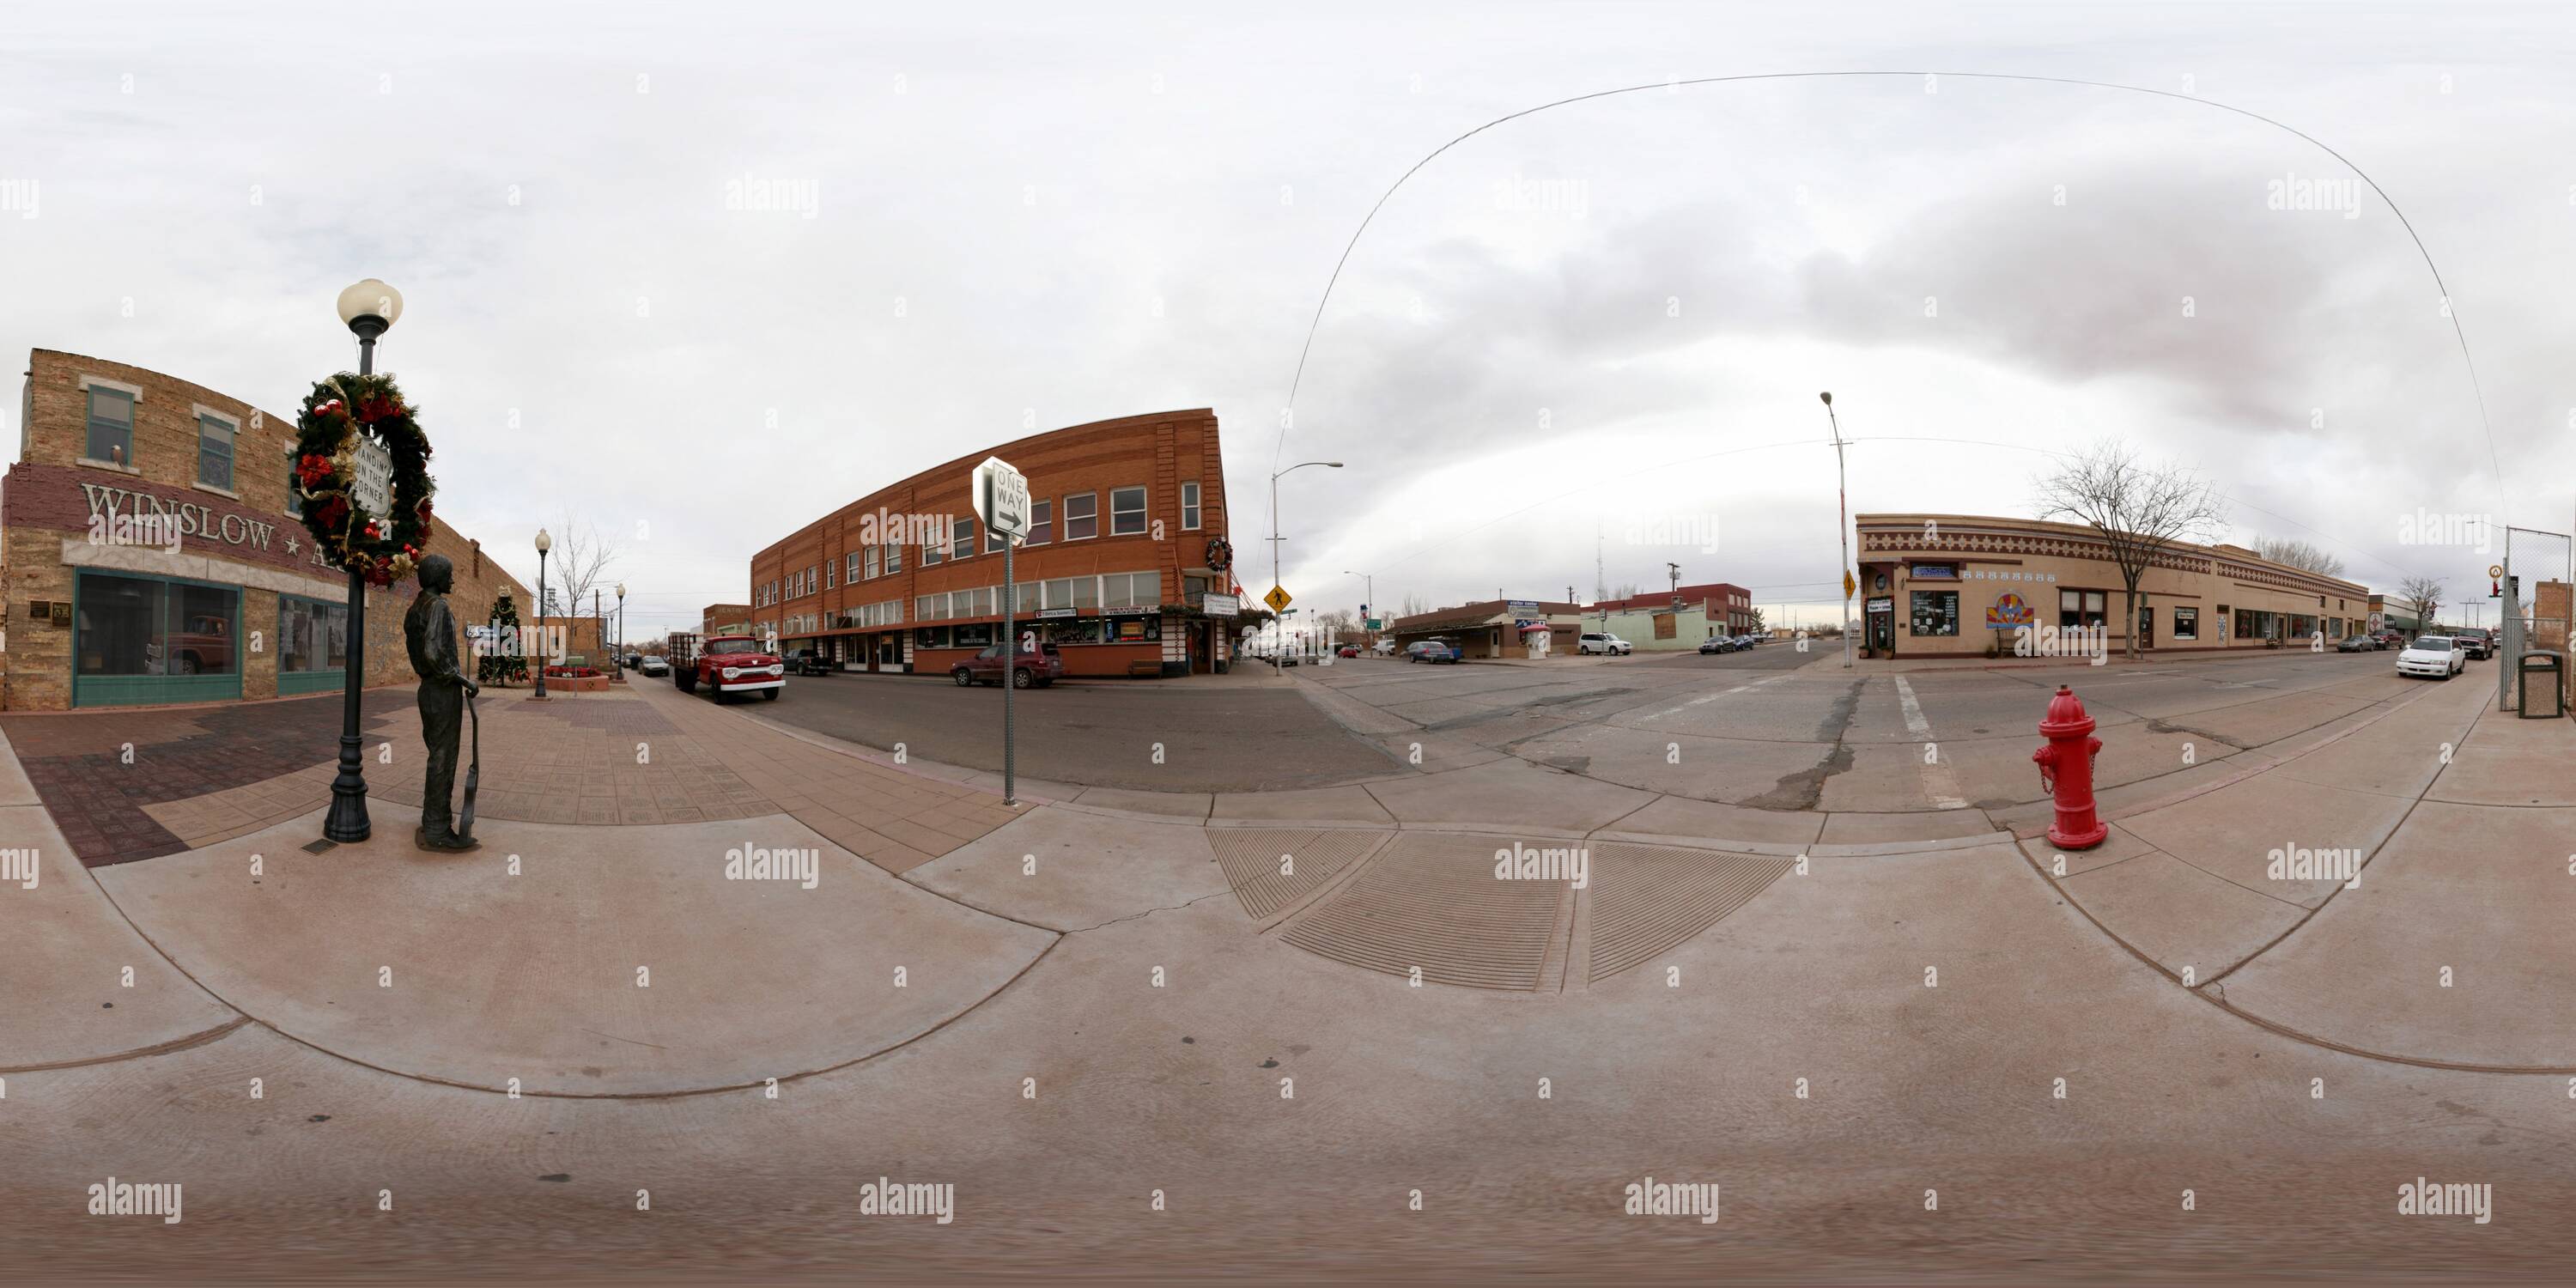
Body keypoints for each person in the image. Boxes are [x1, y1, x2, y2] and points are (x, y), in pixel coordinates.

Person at [404, 554, 481, 852]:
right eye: (448, 575)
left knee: (436, 754)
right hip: (442, 690)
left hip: (428, 691)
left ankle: (433, 819)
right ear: (436, 577)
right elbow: (435, 653)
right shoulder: (438, 606)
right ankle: (437, 828)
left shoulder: (416, 608)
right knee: (443, 758)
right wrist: (464, 681)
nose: (452, 580)